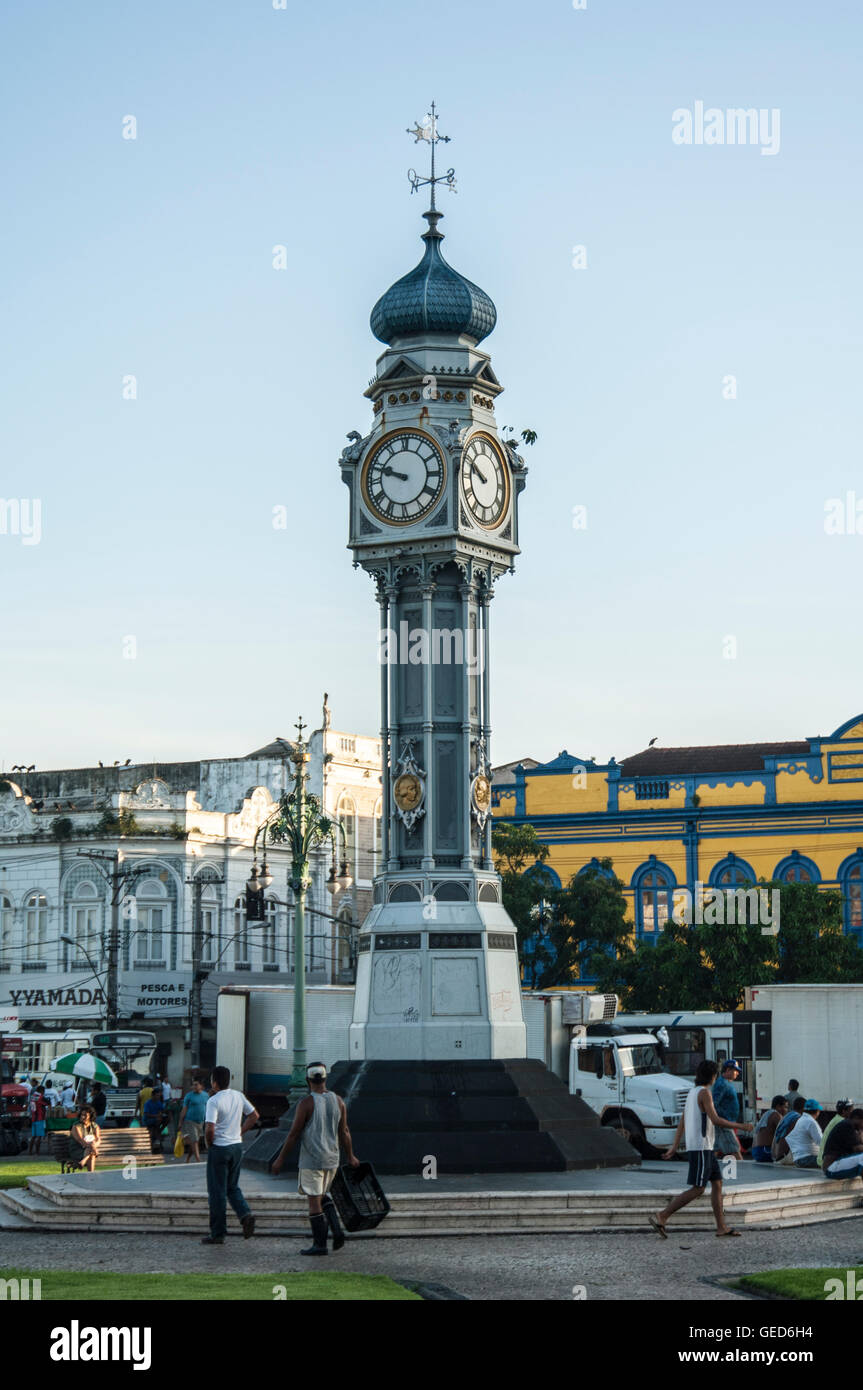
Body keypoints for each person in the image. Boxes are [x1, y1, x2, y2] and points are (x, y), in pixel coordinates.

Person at [650, 1059, 753, 1239]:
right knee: (698, 1188)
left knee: (717, 1183)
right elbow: (716, 1119)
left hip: (703, 1147)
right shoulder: (705, 1093)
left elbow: (683, 1120)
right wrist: (742, 1126)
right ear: (712, 1076)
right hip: (701, 1147)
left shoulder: (692, 1092)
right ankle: (663, 1216)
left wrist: (674, 1146)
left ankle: (721, 1227)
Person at [272, 1061, 360, 1256]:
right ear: (325, 1078)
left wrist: (280, 1159)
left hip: (312, 1160)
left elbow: (293, 1134)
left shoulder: (305, 1103)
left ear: (307, 1080)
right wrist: (351, 1155)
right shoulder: (338, 1101)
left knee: (314, 1202)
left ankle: (320, 1244)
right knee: (321, 1195)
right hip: (332, 1159)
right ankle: (336, 1231)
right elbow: (344, 1131)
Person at [202, 1065, 259, 1246]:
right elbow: (254, 1115)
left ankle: (218, 1233)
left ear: (214, 1081)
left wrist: (209, 1143)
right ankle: (245, 1214)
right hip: (236, 1146)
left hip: (219, 1148)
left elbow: (210, 1128)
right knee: (232, 1187)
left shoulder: (213, 1101)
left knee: (217, 1191)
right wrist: (239, 1131)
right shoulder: (238, 1095)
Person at [712, 1060, 744, 1162]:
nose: (737, 1073)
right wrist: (723, 1119)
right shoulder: (722, 1084)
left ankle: (706, 1167)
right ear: (728, 1070)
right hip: (725, 1123)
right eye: (735, 1070)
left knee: (715, 1149)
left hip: (726, 1122)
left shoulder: (726, 1083)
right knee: (734, 1149)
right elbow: (715, 1104)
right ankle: (745, 1173)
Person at [822, 1107, 863, 1180]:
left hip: (839, 1164)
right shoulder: (847, 1125)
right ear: (856, 1118)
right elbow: (858, 1149)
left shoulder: (853, 1127)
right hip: (831, 1167)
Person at [785, 1098, 823, 1168]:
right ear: (817, 1111)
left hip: (798, 1159)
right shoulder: (811, 1122)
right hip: (806, 1159)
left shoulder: (801, 1119)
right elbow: (821, 1142)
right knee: (831, 1161)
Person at [179, 1078, 209, 1162]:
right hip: (190, 1121)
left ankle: (188, 1158)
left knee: (195, 1141)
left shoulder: (206, 1095)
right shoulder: (189, 1096)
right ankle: (198, 1160)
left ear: (201, 1086)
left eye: (196, 1084)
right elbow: (184, 1109)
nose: (194, 1087)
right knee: (195, 1140)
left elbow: (208, 1108)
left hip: (200, 1122)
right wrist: (180, 1122)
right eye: (193, 1085)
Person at [751, 1096, 788, 1163]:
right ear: (778, 1106)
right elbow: (785, 1133)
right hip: (765, 1151)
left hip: (755, 1151)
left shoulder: (766, 1114)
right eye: (785, 1107)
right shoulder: (776, 1115)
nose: (786, 1110)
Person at [818, 1100, 853, 1168]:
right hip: (827, 1161)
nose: (852, 1113)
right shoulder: (842, 1122)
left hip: (823, 1159)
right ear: (844, 1111)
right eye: (851, 1111)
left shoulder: (836, 1119)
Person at [68, 1103, 101, 1173]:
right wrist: (93, 1147)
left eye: (85, 1115)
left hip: (89, 1150)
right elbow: (80, 1141)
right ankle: (91, 1175)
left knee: (91, 1154)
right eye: (82, 1115)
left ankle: (83, 1161)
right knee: (92, 1152)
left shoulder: (94, 1126)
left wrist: (93, 1146)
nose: (82, 1117)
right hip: (77, 1149)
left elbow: (98, 1139)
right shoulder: (76, 1126)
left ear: (90, 1116)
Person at [772, 1095, 805, 1164]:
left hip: (776, 1158)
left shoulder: (786, 1117)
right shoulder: (798, 1118)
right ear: (803, 1109)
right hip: (785, 1158)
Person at [142, 1088, 165, 1154]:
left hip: (156, 1119)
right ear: (153, 1095)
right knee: (154, 1130)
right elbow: (146, 1114)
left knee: (167, 1118)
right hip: (148, 1120)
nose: (158, 1097)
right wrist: (156, 1116)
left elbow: (162, 1110)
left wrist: (161, 1114)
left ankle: (159, 1131)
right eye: (157, 1095)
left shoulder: (159, 1102)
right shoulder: (147, 1103)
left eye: (159, 1096)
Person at [28, 1085, 47, 1154]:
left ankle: (30, 1151)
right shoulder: (41, 1097)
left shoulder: (33, 1097)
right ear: (41, 1091)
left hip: (33, 1118)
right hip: (40, 1118)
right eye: (43, 1091)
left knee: (33, 1136)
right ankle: (37, 1152)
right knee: (39, 1136)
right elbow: (45, 1104)